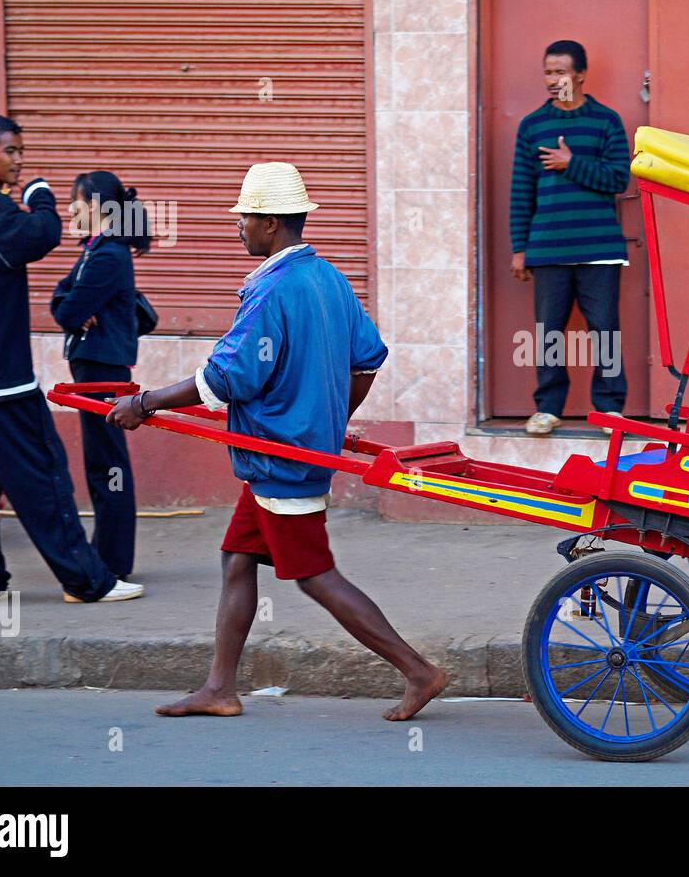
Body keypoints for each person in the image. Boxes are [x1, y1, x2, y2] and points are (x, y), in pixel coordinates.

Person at [107, 162, 449, 721]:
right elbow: (368, 360)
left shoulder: (271, 290)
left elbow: (226, 378)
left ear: (269, 223)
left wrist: (145, 403)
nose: (238, 227)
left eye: (244, 218)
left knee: (315, 575)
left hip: (280, 457)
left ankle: (418, 670)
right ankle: (220, 688)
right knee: (237, 559)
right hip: (278, 454)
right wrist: (329, 419)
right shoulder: (328, 277)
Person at [0, 114, 142, 602]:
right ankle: (87, 581)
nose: (19, 160)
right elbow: (43, 234)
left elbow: (66, 302)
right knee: (45, 476)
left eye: (21, 152)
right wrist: (40, 193)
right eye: (10, 151)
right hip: (3, 380)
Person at [509, 39, 631, 435]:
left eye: (559, 72)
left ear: (580, 75)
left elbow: (619, 178)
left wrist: (572, 163)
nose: (552, 79)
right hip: (548, 249)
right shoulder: (532, 126)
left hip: (599, 248)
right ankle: (547, 408)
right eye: (547, 72)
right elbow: (521, 191)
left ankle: (609, 409)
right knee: (548, 332)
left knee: (605, 330)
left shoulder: (606, 121)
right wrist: (520, 248)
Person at [50, 171, 149, 581]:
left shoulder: (109, 255)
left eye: (75, 201)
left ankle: (112, 560)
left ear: (94, 205)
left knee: (107, 462)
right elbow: (63, 298)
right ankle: (109, 554)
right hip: (93, 366)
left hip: (102, 371)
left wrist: (72, 307)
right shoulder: (96, 249)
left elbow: (67, 311)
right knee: (102, 460)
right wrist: (70, 304)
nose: (70, 209)